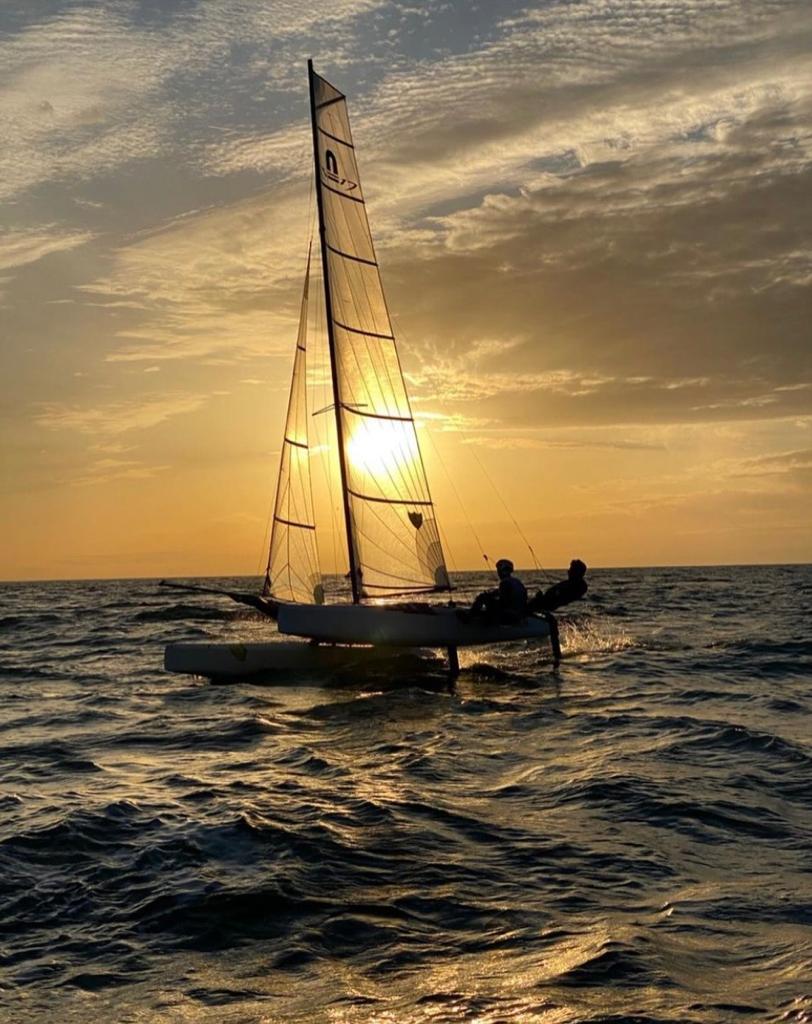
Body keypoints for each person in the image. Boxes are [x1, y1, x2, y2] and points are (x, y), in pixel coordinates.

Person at [469, 558, 528, 623]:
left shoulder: (505, 583)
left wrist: (489, 598)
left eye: (498, 570)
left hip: (510, 615)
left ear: (502, 571)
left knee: (483, 597)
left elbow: (504, 601)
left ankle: (470, 617)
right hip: (520, 613)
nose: (498, 573)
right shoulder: (516, 581)